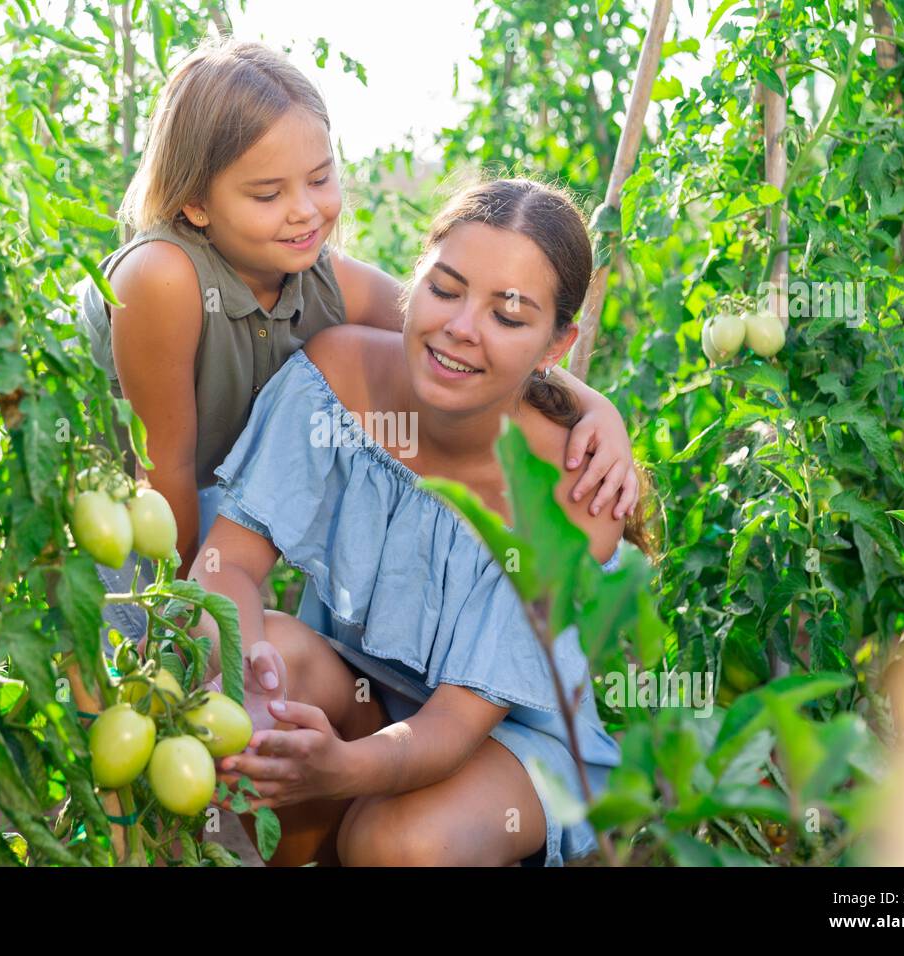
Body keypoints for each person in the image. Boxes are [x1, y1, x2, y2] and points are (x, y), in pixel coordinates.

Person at [72, 37, 639, 649]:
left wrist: (594, 406)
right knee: (133, 683)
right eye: (268, 195)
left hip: (202, 491)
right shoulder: (163, 278)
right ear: (195, 204)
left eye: (320, 179)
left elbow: (456, 338)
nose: (305, 212)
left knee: (229, 670)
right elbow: (165, 471)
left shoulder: (323, 278)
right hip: (114, 504)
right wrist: (184, 627)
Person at [187, 176, 657, 867]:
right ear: (415, 280)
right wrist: (248, 688)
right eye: (446, 289)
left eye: (509, 314)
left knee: (397, 844)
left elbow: (453, 725)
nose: (462, 328)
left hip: (508, 742)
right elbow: (228, 568)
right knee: (256, 672)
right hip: (362, 690)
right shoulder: (336, 379)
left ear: (557, 346)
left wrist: (340, 769)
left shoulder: (572, 497)